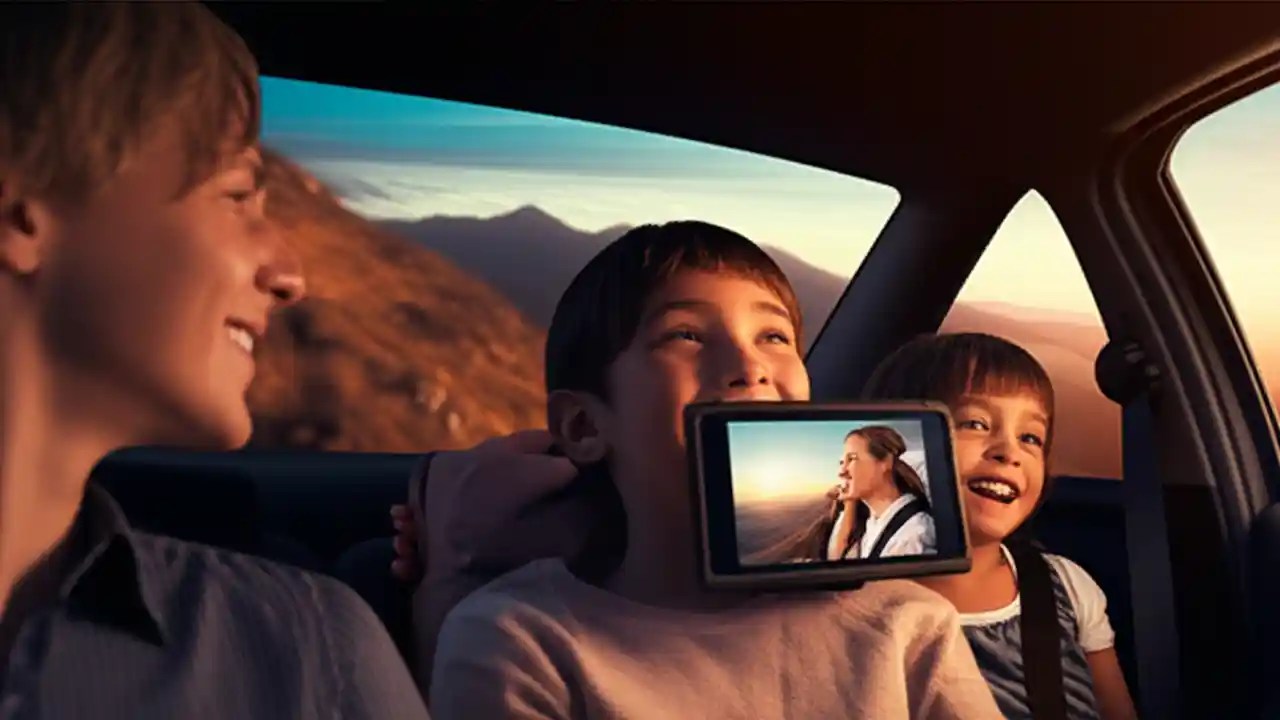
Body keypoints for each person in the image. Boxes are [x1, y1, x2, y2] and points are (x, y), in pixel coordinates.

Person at [0, 4, 428, 717]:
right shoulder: (303, 657)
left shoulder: (313, 656)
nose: (291, 276)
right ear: (20, 208)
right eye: (236, 196)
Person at [417, 221, 1004, 718]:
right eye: (686, 335)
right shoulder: (521, 638)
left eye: (774, 336)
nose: (750, 365)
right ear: (584, 426)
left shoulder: (910, 623)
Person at [860, 333, 1139, 720]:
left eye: (1030, 438)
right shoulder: (853, 605)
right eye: (975, 423)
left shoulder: (1064, 587)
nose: (1009, 452)